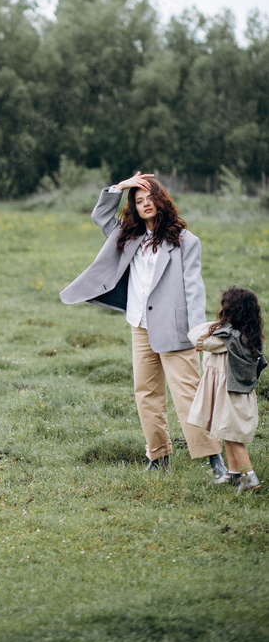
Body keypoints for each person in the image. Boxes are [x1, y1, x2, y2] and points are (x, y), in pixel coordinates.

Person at [60, 171, 226, 475]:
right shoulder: (127, 234)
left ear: (161, 201)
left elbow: (194, 288)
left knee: (187, 394)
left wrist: (197, 332)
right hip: (139, 324)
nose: (145, 203)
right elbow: (100, 215)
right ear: (133, 206)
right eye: (138, 200)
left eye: (150, 198)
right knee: (146, 393)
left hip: (175, 328)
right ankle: (158, 456)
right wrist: (119, 187)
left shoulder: (185, 241)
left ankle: (215, 459)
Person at [188, 286, 266, 492]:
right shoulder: (247, 336)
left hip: (230, 394)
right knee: (227, 431)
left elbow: (195, 337)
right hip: (235, 393)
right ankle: (233, 473)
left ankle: (250, 478)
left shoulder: (226, 338)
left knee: (233, 436)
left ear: (229, 311)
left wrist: (217, 324)